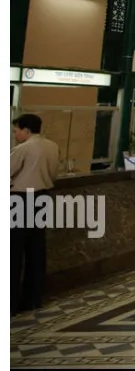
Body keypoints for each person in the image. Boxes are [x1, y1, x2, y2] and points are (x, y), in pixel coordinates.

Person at [11, 113, 60, 314]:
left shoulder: (23, 148)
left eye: (16, 130)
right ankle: (33, 297)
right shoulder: (52, 146)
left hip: (20, 200)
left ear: (26, 130)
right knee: (36, 249)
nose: (15, 135)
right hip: (43, 197)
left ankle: (10, 301)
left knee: (13, 251)